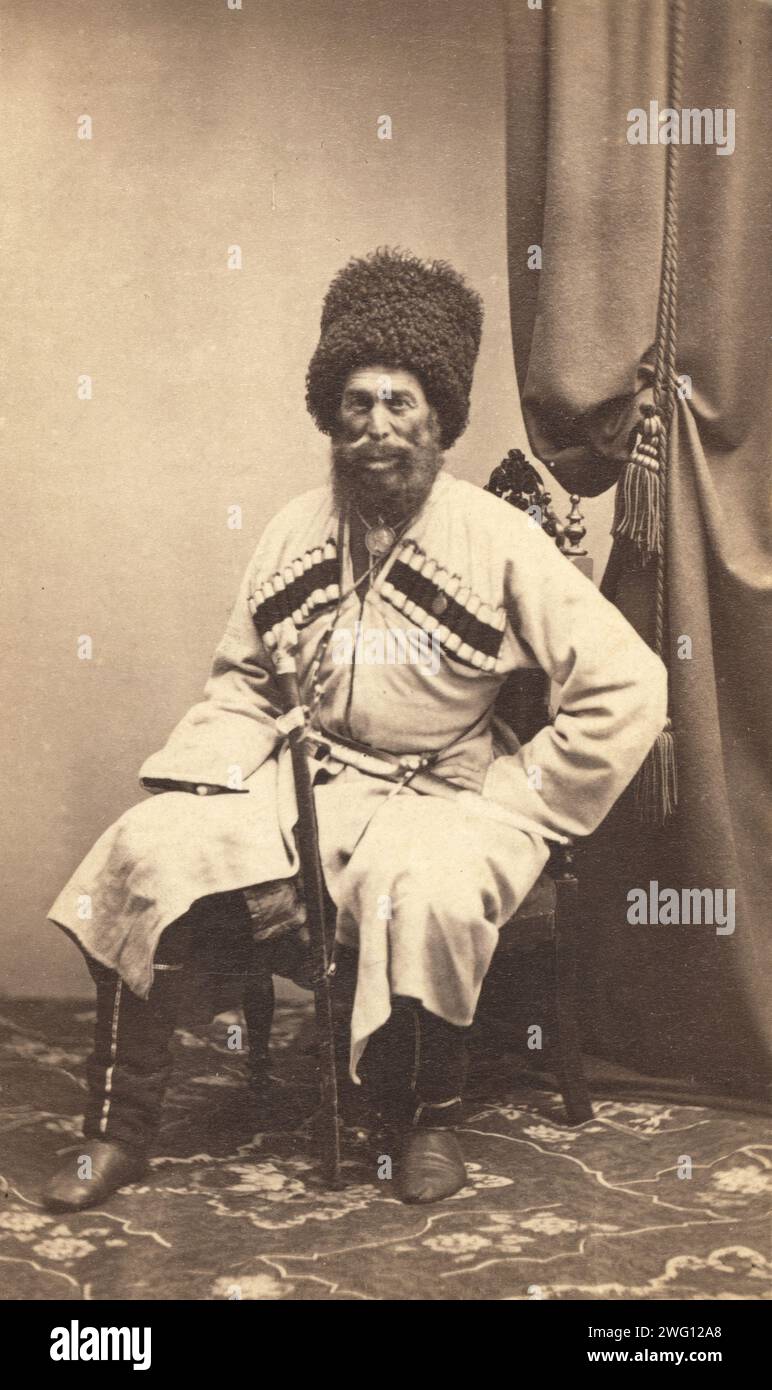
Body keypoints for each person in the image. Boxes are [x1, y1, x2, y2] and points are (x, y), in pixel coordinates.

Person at [43, 248, 667, 1211]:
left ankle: (425, 1120)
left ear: (439, 420)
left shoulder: (499, 539)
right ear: (331, 416)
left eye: (401, 403)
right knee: (150, 849)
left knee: (427, 886)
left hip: (448, 789)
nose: (377, 427)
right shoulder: (292, 530)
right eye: (358, 403)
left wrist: (518, 798)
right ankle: (117, 1133)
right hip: (312, 779)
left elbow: (628, 681)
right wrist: (212, 780)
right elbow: (245, 683)